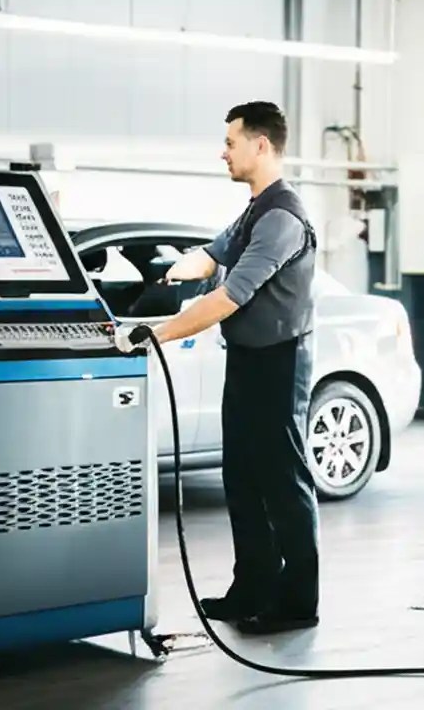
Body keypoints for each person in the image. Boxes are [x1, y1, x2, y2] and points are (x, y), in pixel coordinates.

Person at [118, 101, 320, 635]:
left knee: (282, 480)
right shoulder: (254, 210)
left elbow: (229, 298)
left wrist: (157, 333)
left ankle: (298, 600)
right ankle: (251, 587)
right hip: (249, 361)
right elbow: (213, 254)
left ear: (261, 145)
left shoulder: (281, 217)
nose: (223, 151)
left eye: (231, 142)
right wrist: (178, 269)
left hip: (280, 362)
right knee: (242, 478)